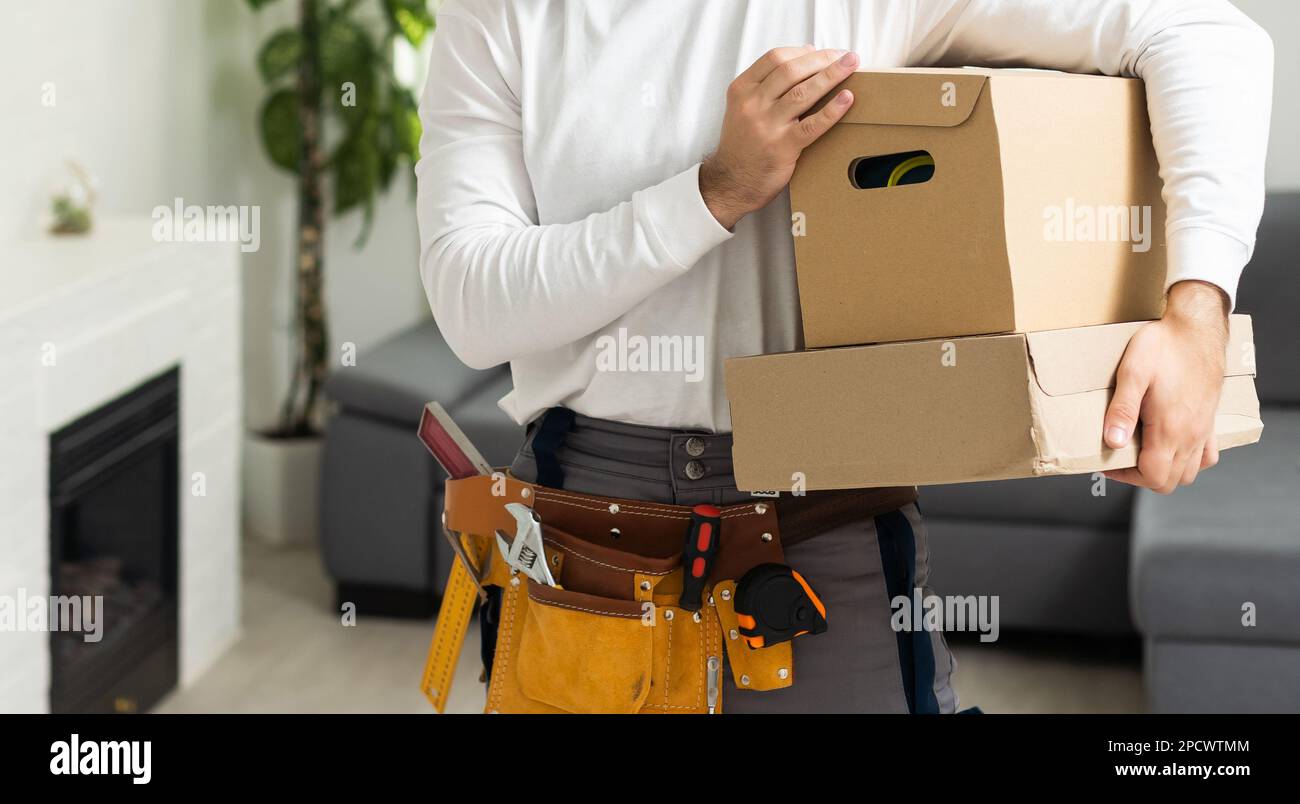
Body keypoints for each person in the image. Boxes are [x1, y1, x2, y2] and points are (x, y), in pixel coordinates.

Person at [414, 0, 1273, 713]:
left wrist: (1196, 312)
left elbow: (1205, 36)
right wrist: (714, 193)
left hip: (820, 525)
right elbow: (472, 305)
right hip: (582, 543)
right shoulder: (497, 16)